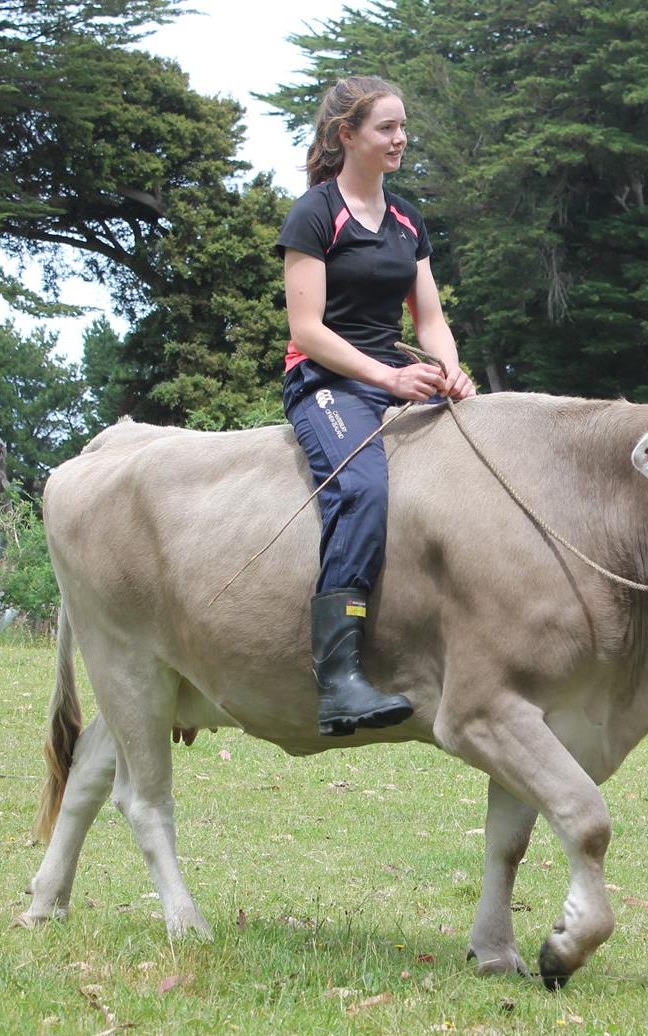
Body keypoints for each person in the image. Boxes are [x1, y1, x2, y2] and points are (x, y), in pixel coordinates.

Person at [277, 76, 475, 737]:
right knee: (361, 490)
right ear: (348, 137)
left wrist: (447, 370)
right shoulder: (314, 214)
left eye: (403, 126)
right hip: (326, 383)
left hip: (395, 375)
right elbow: (307, 331)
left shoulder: (407, 219)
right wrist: (390, 381)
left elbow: (430, 318)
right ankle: (337, 680)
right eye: (387, 128)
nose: (401, 139)